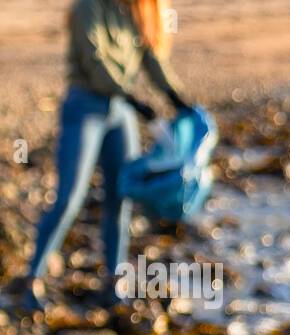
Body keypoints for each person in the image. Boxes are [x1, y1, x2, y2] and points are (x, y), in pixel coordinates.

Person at [20, 0, 192, 313]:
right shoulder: (88, 6)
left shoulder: (137, 10)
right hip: (85, 109)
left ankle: (115, 280)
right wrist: (134, 99)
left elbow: (152, 59)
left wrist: (179, 99)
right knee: (70, 199)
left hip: (121, 115)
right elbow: (95, 60)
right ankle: (32, 278)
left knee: (120, 195)